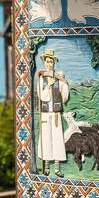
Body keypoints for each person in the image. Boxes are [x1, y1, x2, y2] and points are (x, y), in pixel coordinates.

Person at [35, 48, 71, 176]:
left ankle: (57, 168)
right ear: (44, 62)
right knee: (46, 139)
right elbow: (42, 96)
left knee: (56, 139)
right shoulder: (41, 78)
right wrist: (48, 85)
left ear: (54, 63)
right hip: (45, 113)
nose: (49, 64)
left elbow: (65, 96)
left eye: (51, 62)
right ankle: (46, 167)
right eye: (47, 61)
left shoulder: (57, 77)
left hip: (55, 113)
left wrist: (63, 81)